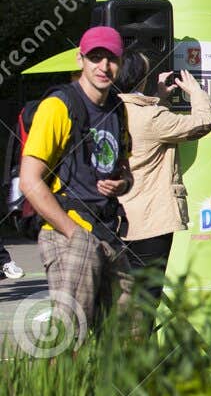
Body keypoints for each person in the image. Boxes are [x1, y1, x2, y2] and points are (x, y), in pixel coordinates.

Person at [20, 26, 134, 337]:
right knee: (71, 334)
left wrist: (122, 184)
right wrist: (73, 233)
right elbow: (29, 180)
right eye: (95, 57)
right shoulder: (59, 106)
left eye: (111, 58)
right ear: (80, 59)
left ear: (121, 62)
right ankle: (63, 373)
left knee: (129, 332)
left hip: (107, 230)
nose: (104, 66)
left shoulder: (117, 108)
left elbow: (125, 171)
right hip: (69, 233)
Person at [115, 52, 211, 297]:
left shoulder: (109, 110)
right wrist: (197, 92)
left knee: (121, 293)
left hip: (116, 217)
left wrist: (158, 99)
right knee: (146, 296)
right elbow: (203, 122)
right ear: (141, 80)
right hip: (150, 220)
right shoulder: (151, 117)